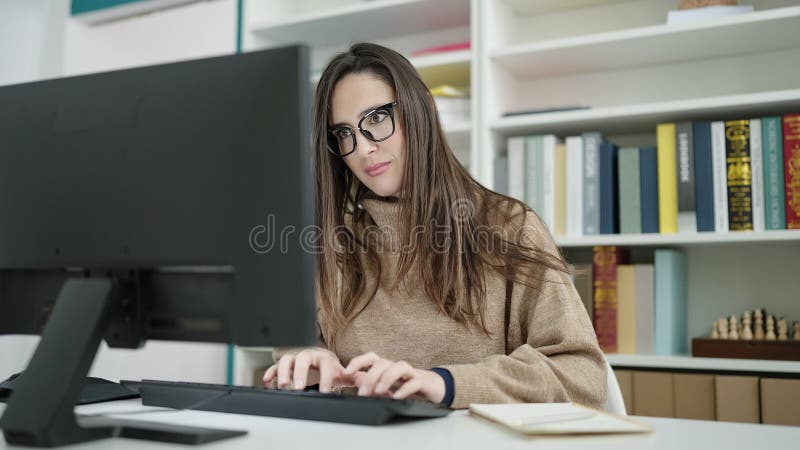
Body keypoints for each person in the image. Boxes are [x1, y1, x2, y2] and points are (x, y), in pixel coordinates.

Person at [262, 42, 606, 409]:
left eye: (376, 119)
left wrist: (445, 384)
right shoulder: (329, 242)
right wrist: (310, 360)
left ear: (422, 109)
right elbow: (297, 343)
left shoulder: (510, 227)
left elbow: (582, 376)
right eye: (344, 134)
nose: (362, 149)